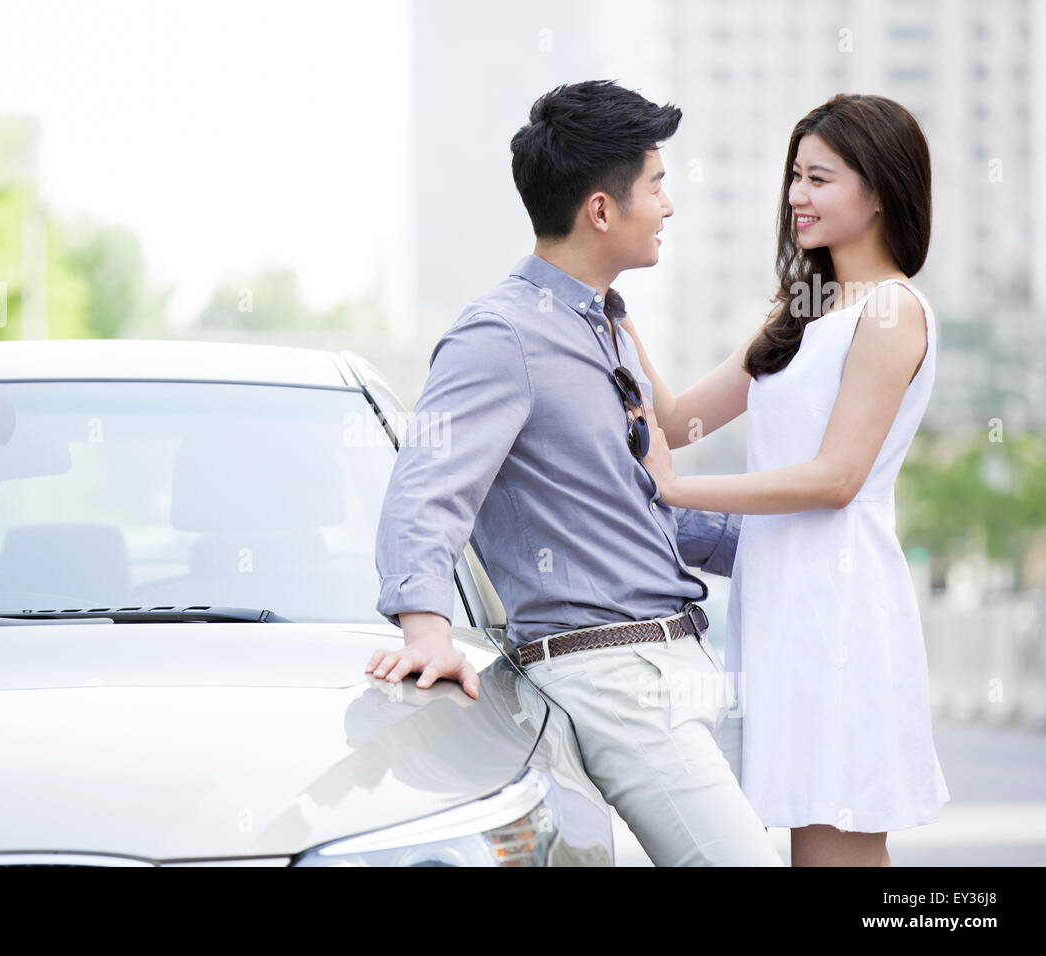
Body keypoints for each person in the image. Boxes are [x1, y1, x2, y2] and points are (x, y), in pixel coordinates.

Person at [366, 79, 782, 866]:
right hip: (611, 675)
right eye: (657, 186)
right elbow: (427, 482)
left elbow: (631, 506)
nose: (669, 206)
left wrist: (788, 541)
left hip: (675, 664)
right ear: (601, 208)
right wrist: (426, 627)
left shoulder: (609, 326)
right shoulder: (501, 334)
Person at [631, 92, 951, 866]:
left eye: (819, 179)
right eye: (795, 178)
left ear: (878, 190)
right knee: (801, 837)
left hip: (840, 610)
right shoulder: (802, 312)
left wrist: (678, 491)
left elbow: (836, 478)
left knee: (832, 846)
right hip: (777, 603)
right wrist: (609, 309)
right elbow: (679, 425)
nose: (796, 196)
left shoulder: (891, 310)